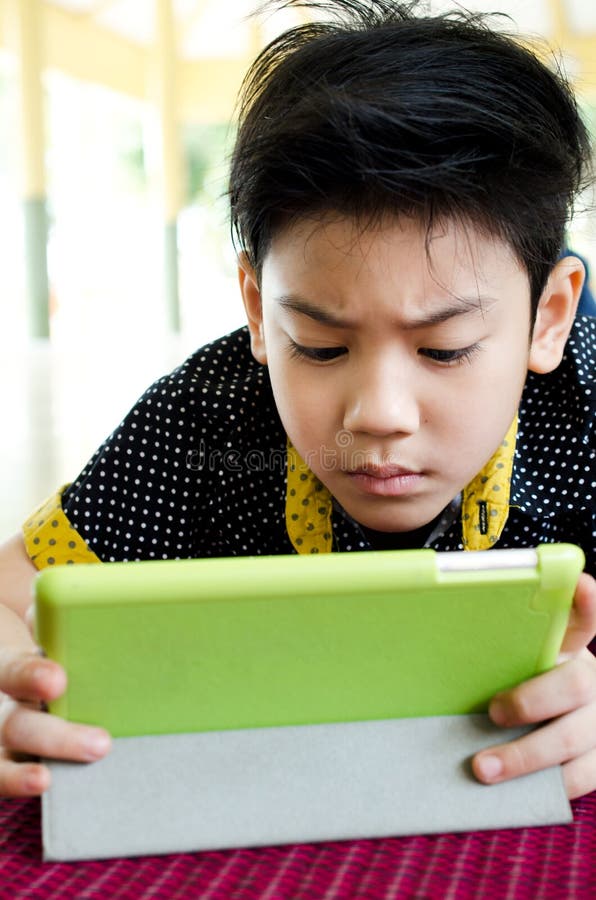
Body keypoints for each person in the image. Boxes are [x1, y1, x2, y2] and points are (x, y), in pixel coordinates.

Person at [0, 0, 594, 801]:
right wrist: (12, 684)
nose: (379, 413)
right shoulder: (207, 420)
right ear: (255, 306)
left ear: (548, 318)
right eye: (319, 345)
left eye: (443, 350)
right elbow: (11, 594)